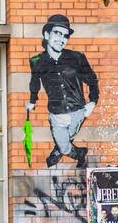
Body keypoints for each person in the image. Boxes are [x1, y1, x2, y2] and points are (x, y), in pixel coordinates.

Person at [26, 14, 99, 168]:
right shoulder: (37, 62)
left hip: (77, 112)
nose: (61, 39)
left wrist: (93, 101)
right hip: (56, 113)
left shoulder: (77, 58)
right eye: (57, 33)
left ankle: (61, 154)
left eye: (65, 35)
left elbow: (92, 80)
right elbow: (34, 82)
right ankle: (79, 153)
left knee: (62, 145)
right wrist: (32, 101)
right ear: (47, 34)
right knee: (64, 145)